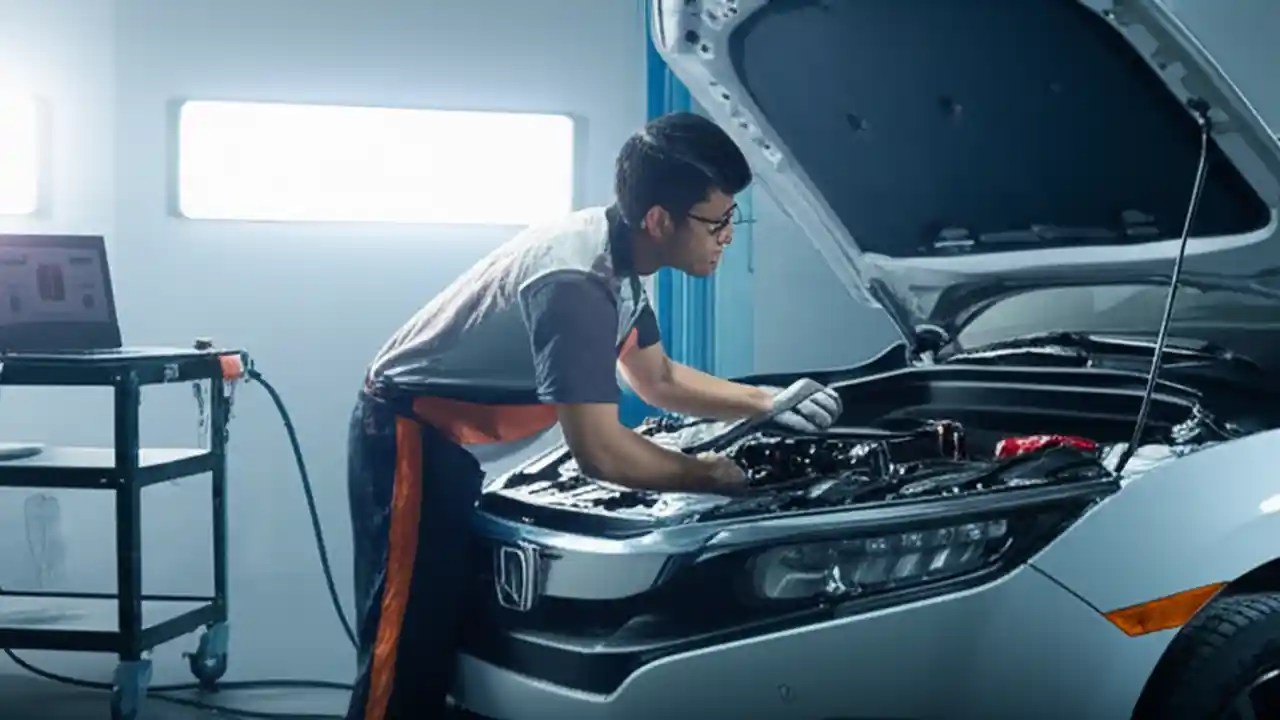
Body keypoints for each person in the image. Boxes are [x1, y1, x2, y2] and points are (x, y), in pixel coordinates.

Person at [344, 112, 842, 719]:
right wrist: (708, 473)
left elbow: (657, 379)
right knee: (409, 645)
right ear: (659, 220)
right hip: (409, 433)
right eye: (717, 221)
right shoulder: (578, 282)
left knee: (451, 634)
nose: (728, 236)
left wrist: (768, 400)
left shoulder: (623, 257)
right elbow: (600, 453)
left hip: (462, 441)